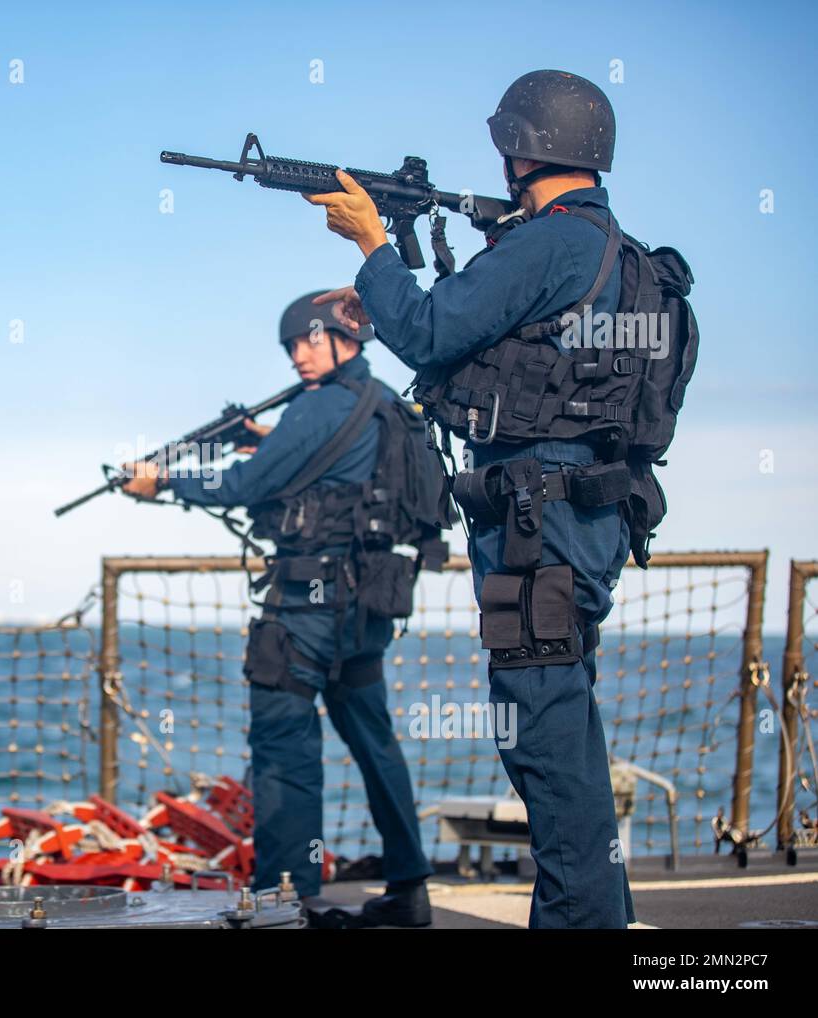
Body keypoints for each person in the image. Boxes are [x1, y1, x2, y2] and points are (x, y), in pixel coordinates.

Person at [304, 69, 641, 928]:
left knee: (541, 736)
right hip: (590, 511)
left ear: (521, 151)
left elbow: (423, 330)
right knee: (561, 722)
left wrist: (373, 245)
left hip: (537, 522)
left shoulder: (548, 246)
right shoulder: (619, 256)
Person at [120, 292, 437, 927]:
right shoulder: (384, 408)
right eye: (291, 346)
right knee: (376, 744)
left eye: (308, 340)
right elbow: (332, 467)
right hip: (367, 608)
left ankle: (287, 899)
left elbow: (243, 487)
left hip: (304, 610)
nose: (297, 355)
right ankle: (409, 887)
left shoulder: (317, 408)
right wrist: (265, 437)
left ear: (342, 341)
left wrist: (161, 485)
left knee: (284, 747)